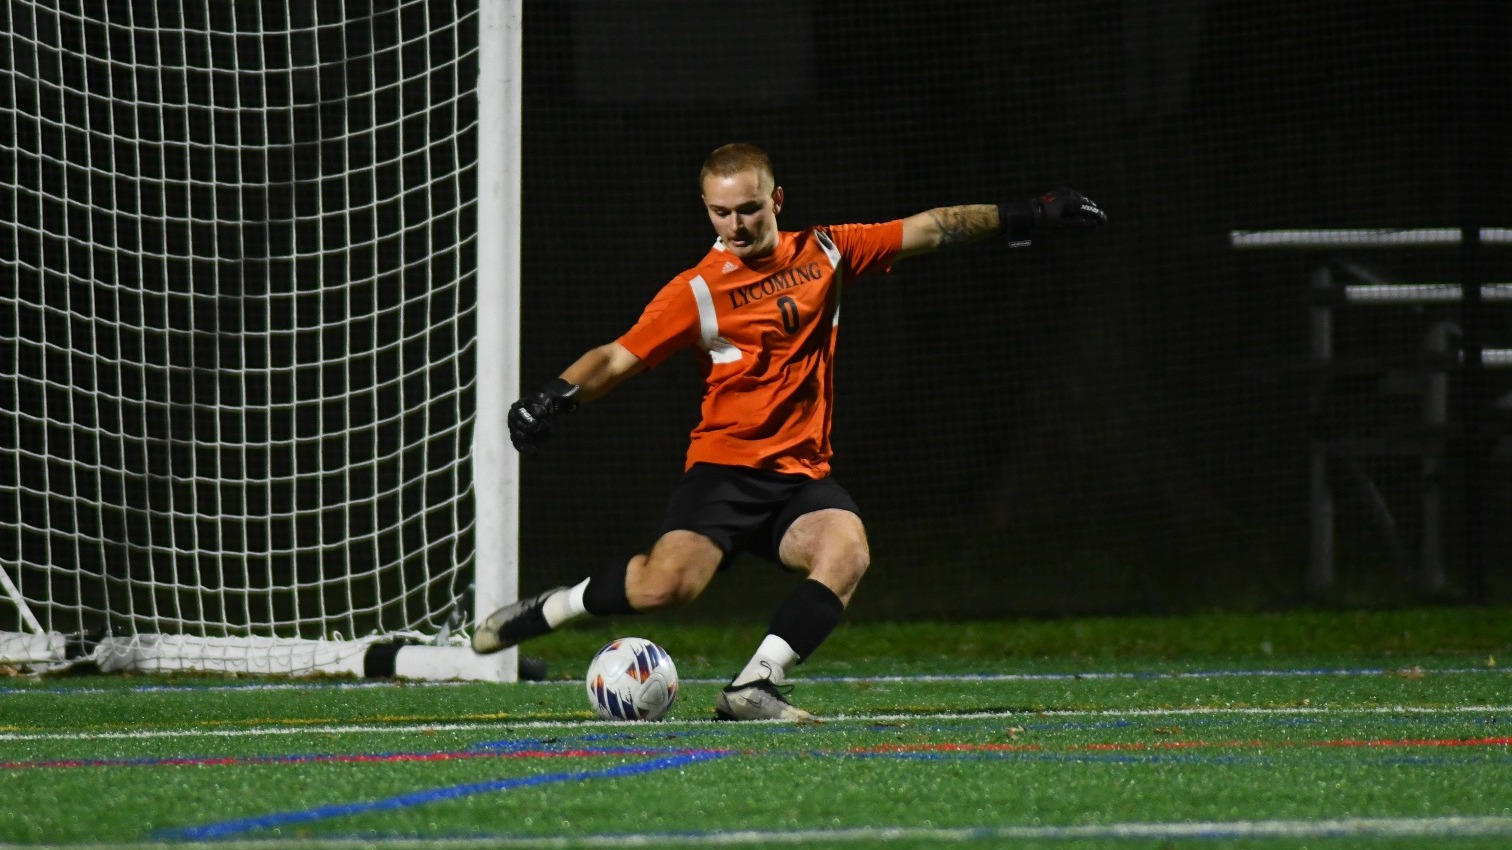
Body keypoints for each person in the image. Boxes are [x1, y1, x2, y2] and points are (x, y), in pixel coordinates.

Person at [473, 143, 1106, 721]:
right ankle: (557, 606)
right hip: (724, 470)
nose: (736, 226)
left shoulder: (826, 251)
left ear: (776, 199)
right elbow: (616, 357)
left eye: (748, 209)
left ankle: (754, 686)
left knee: (847, 551)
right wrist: (554, 396)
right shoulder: (697, 291)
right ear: (706, 208)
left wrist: (1030, 213)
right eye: (721, 213)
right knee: (665, 587)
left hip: (801, 475)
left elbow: (928, 227)